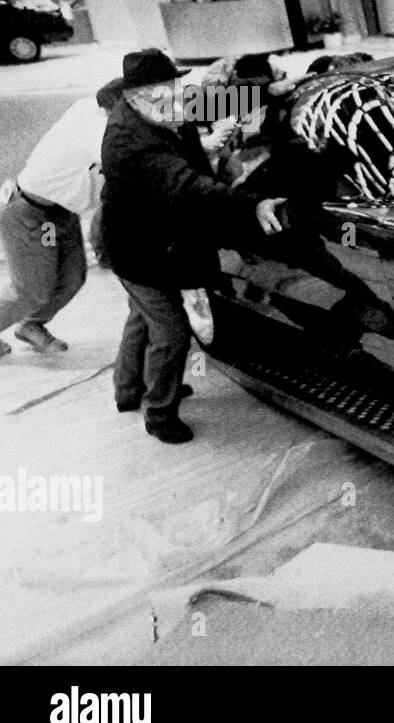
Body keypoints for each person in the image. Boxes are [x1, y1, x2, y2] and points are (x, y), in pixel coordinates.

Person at [100, 49, 286, 444]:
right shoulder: (128, 141)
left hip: (161, 242)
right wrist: (252, 204)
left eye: (174, 87)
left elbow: (222, 102)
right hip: (137, 249)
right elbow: (187, 186)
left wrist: (271, 89)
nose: (173, 98)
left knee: (141, 316)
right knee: (170, 332)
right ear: (135, 98)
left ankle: (129, 390)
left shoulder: (164, 107)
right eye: (161, 92)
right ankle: (159, 411)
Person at [0, 77, 125, 358]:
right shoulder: (98, 130)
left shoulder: (89, 108)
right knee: (32, 289)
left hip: (60, 213)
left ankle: (31, 325)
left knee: (71, 279)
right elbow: (122, 154)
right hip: (32, 212)